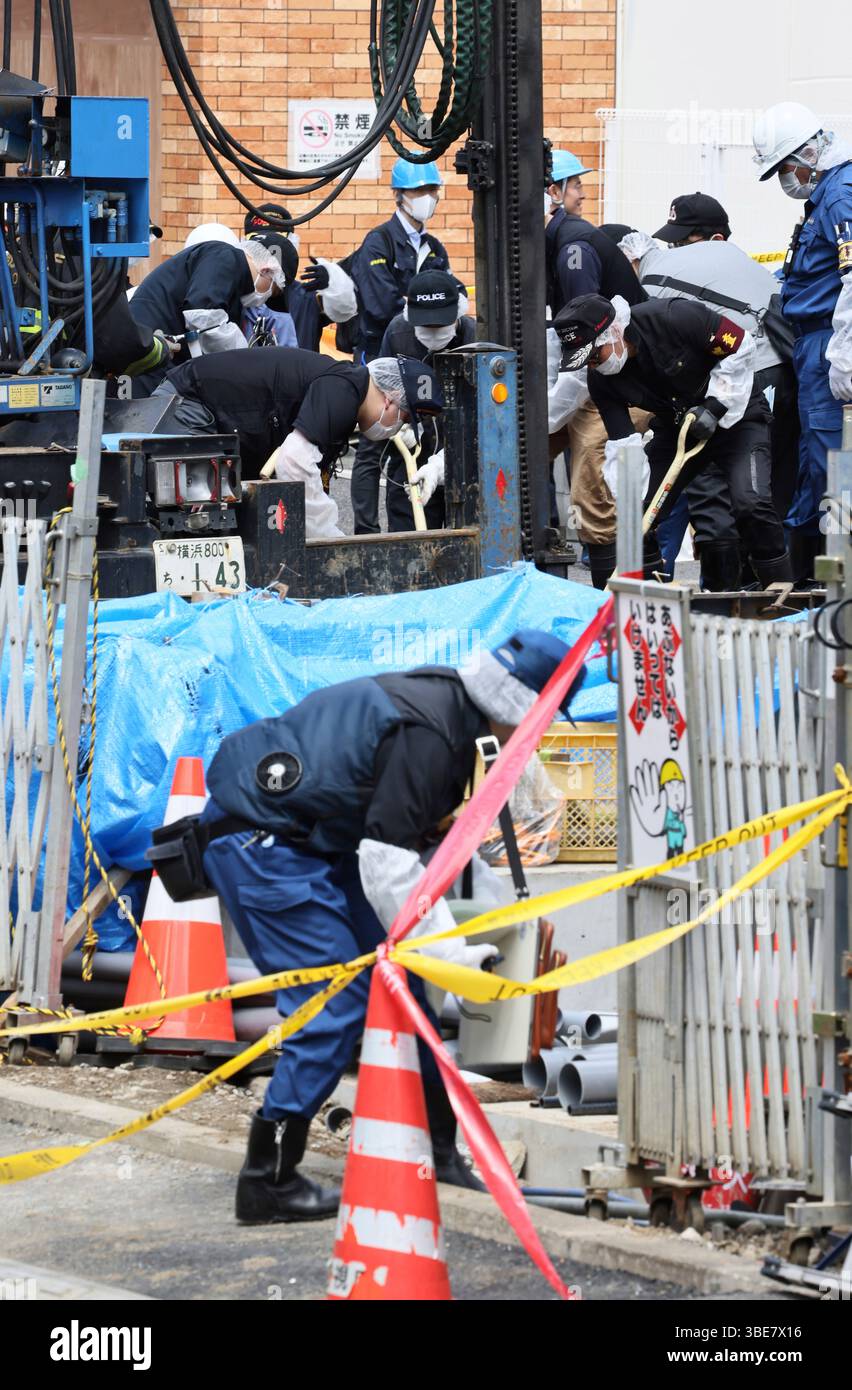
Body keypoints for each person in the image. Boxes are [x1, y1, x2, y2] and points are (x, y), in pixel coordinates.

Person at [149, 629, 586, 1222]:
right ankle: (267, 1181)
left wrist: (502, 923)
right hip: (264, 846)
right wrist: (455, 957)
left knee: (402, 987)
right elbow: (388, 863)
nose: (536, 739)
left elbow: (426, 847)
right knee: (334, 1007)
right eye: (541, 723)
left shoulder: (450, 712)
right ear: (520, 707)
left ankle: (438, 1151)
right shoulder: (433, 735)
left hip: (317, 844)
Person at [554, 292, 792, 590]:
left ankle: (780, 591)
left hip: (737, 419)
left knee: (750, 503)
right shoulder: (602, 380)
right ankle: (648, 595)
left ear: (613, 332)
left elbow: (740, 345)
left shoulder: (674, 317)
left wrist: (716, 406)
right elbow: (623, 448)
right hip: (677, 431)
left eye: (593, 355)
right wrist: (631, 508)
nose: (591, 365)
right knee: (636, 512)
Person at [615, 194, 799, 581]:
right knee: (753, 493)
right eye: (674, 241)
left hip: (739, 382)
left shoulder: (663, 279)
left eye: (684, 240)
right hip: (764, 379)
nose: (677, 248)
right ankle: (751, 588)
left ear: (715, 238)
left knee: (717, 490)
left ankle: (724, 590)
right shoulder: (739, 267)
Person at [155, 350, 443, 538]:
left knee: (219, 523)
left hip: (203, 411)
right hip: (187, 405)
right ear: (390, 397)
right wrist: (327, 537)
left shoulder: (345, 390)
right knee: (191, 526)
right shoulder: (345, 387)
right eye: (403, 417)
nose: (398, 426)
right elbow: (294, 461)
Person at [754, 103, 852, 581]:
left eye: (785, 169)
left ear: (810, 152)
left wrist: (845, 356)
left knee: (830, 464)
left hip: (828, 345)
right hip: (812, 346)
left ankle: (828, 582)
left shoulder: (839, 198)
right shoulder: (827, 197)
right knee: (814, 460)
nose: (785, 181)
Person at [543, 150, 648, 586]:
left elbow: (584, 342)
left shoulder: (574, 248)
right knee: (522, 456)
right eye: (577, 186)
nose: (583, 194)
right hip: (598, 375)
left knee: (592, 481)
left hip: (617, 378)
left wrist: (546, 413)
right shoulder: (556, 243)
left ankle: (608, 597)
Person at [355, 270, 476, 532]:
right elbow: (369, 446)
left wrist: (444, 460)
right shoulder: (398, 334)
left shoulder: (475, 340)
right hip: (412, 462)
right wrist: (366, 533)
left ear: (458, 314)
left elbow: (484, 419)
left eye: (440, 326)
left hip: (466, 464)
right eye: (425, 327)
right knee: (411, 551)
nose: (433, 333)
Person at [127, 236, 285, 392]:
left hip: (160, 361)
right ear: (266, 270)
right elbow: (203, 315)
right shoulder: (224, 257)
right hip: (148, 362)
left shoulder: (234, 283)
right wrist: (246, 364)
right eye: (272, 291)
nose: (265, 299)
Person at [244, 204, 357, 352]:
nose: (267, 252)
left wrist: (334, 284)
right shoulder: (233, 294)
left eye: (276, 246)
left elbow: (344, 310)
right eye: (258, 245)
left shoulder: (305, 298)